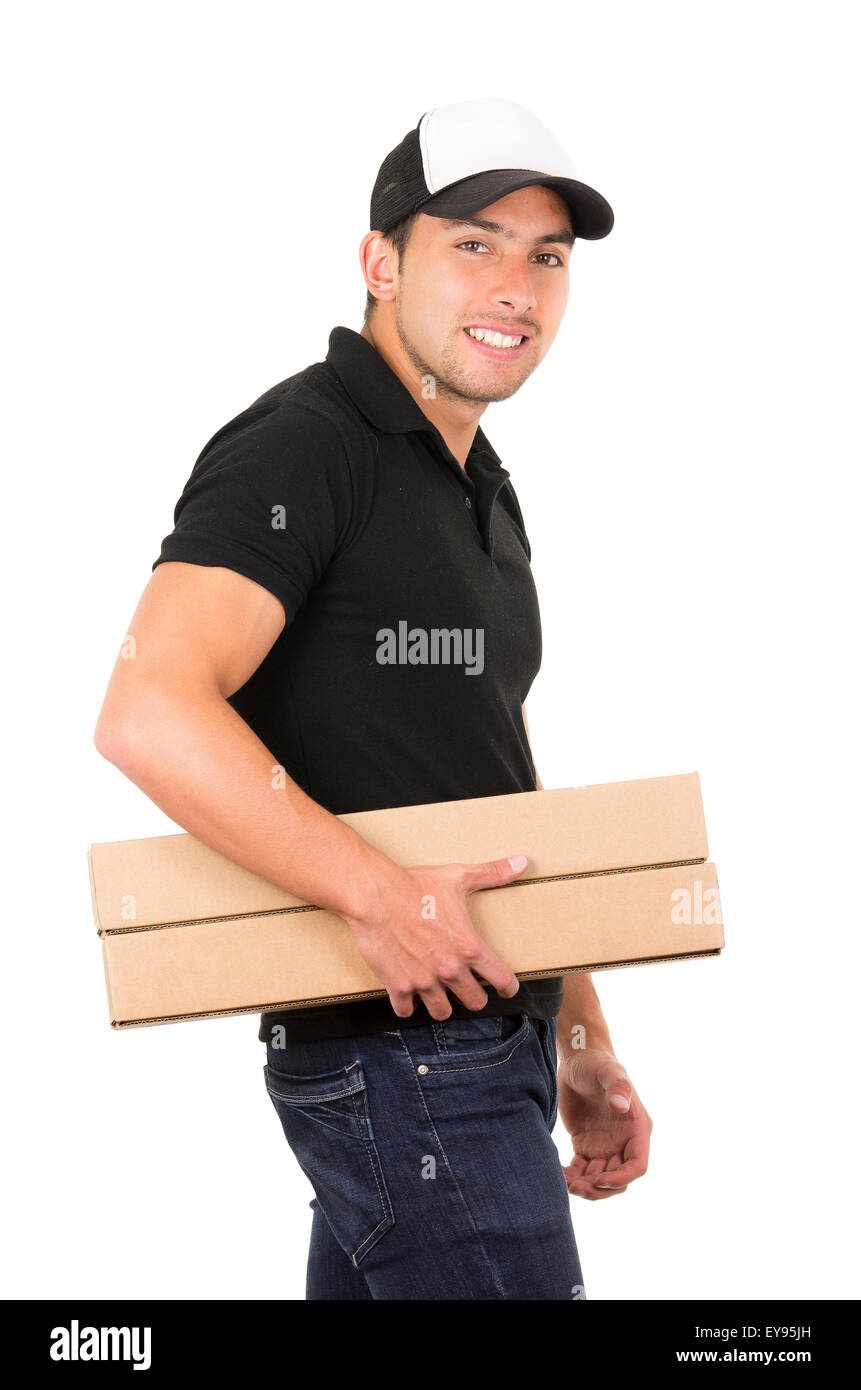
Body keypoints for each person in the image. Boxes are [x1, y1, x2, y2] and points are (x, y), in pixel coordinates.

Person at [94, 97, 653, 1301]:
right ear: (380, 262)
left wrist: (578, 1039)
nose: (517, 286)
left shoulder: (480, 484)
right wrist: (375, 896)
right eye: (474, 243)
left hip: (478, 1040)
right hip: (404, 1050)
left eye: (546, 257)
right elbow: (149, 709)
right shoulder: (308, 444)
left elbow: (493, 775)